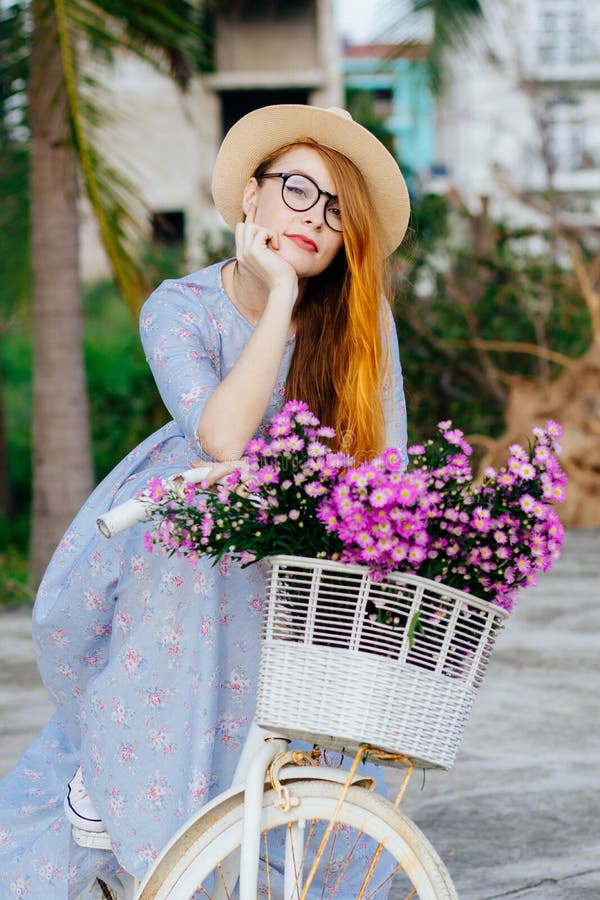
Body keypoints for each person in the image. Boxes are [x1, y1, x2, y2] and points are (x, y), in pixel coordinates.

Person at [0, 104, 410, 896]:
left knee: (294, 714)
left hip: (295, 539)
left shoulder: (361, 320)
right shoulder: (179, 307)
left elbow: (381, 468)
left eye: (334, 210)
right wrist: (282, 295)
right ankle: (111, 778)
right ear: (249, 200)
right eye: (297, 190)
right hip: (176, 531)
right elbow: (222, 438)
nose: (314, 219)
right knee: (200, 556)